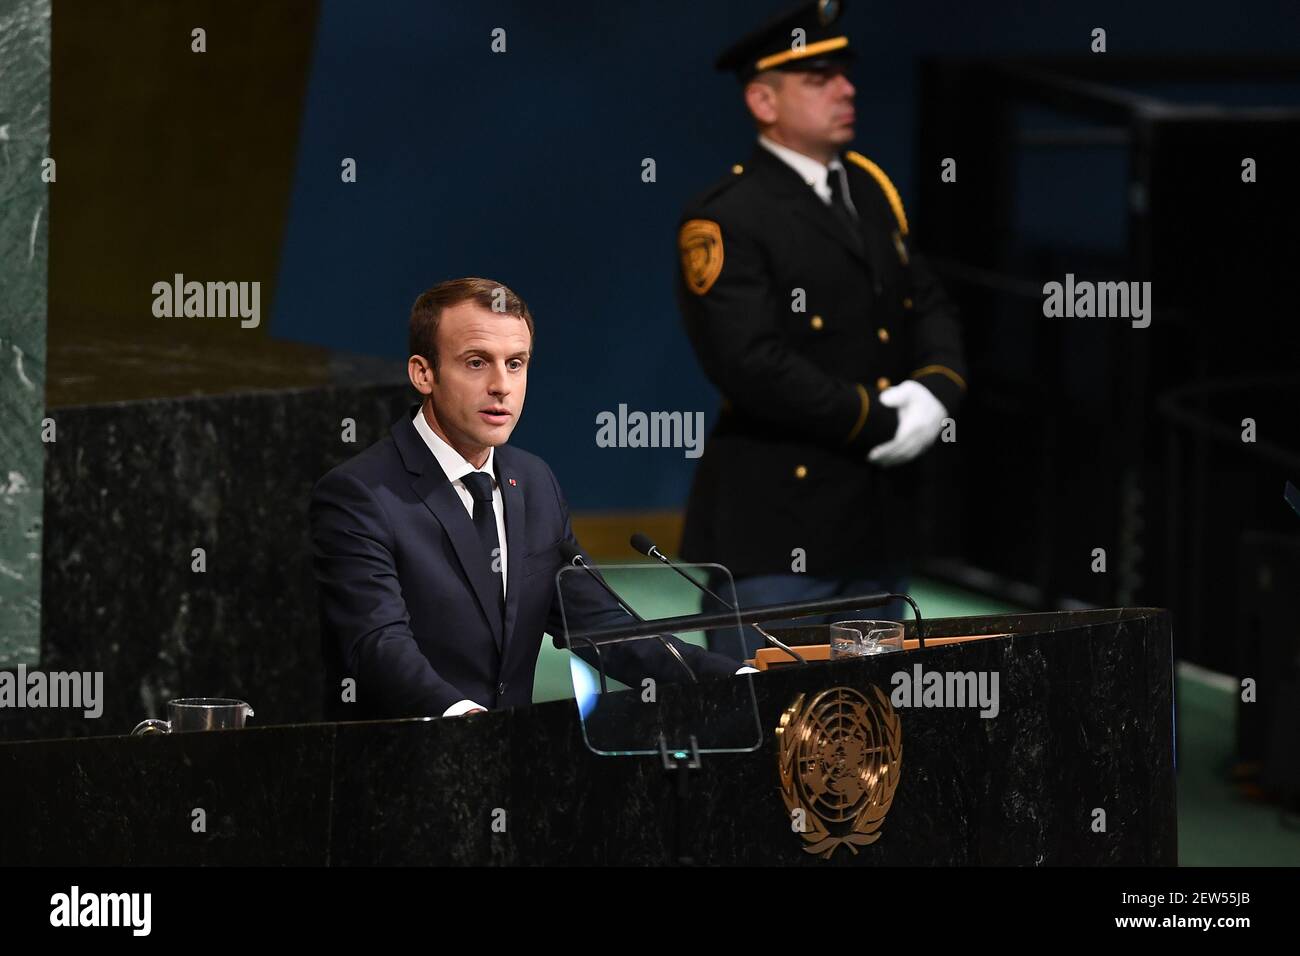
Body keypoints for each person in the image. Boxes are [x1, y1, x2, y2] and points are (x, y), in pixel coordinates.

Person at [310, 277, 751, 720]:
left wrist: (734, 679)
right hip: (400, 766)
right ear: (424, 373)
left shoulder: (534, 482)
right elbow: (377, 644)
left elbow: (605, 630)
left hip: (509, 766)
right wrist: (464, 719)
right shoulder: (361, 494)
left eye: (516, 363)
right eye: (477, 362)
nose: (502, 385)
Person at [675, 0, 967, 660]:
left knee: (868, 741)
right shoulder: (728, 215)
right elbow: (749, 362)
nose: (847, 89)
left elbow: (930, 305)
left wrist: (935, 393)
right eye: (819, 78)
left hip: (877, 522)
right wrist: (879, 420)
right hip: (779, 528)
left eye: (845, 74)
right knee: (763, 736)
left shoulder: (870, 192)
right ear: (763, 100)